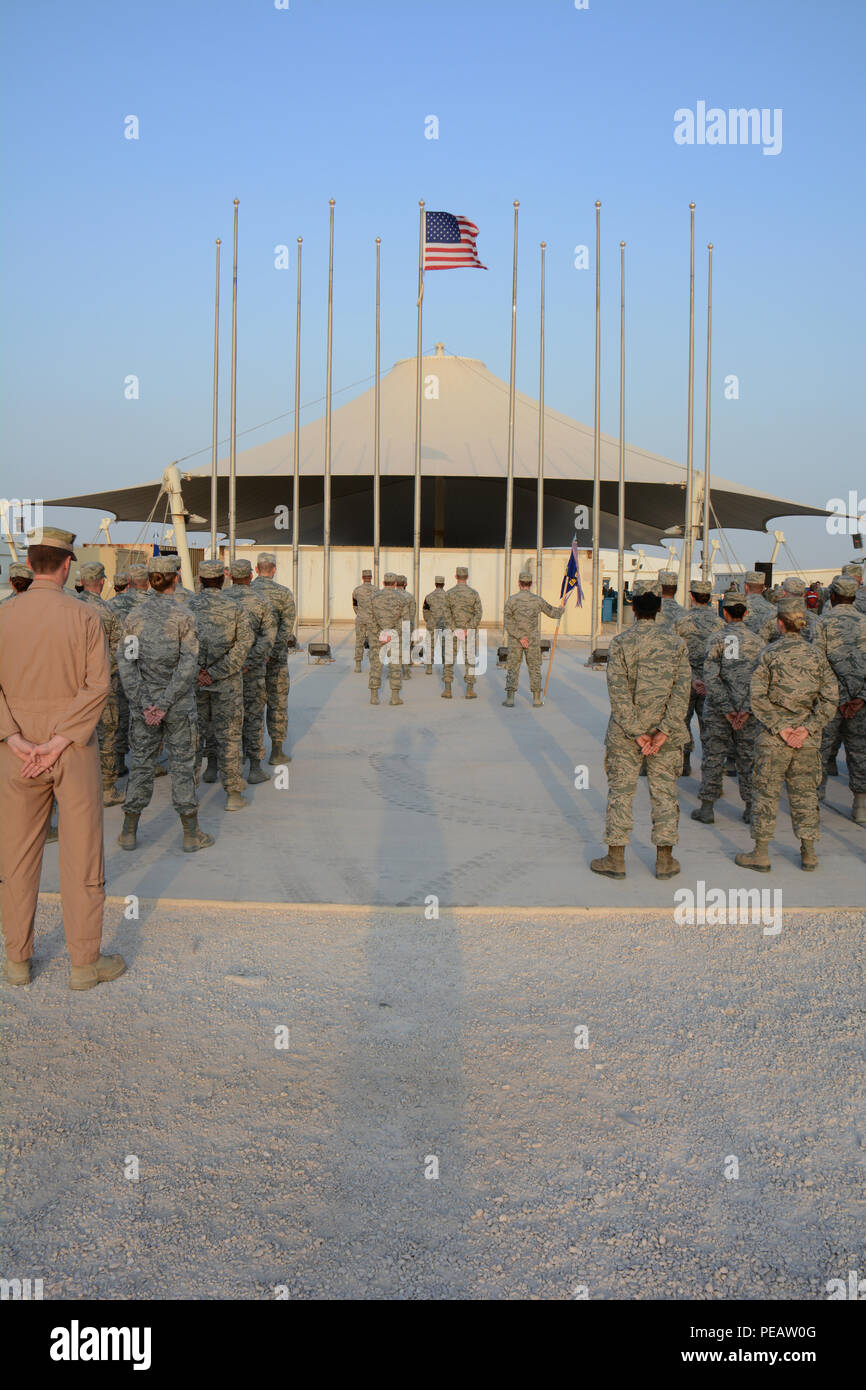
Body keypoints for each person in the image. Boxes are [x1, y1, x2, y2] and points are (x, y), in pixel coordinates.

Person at [0, 526, 125, 990]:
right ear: (68, 564)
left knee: (15, 855)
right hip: (71, 748)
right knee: (81, 854)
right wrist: (57, 741)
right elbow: (98, 685)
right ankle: (83, 964)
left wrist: (15, 739)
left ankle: (16, 961)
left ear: (30, 565)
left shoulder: (3, 616)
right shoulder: (85, 617)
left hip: (15, 752)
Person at [591, 579, 691, 880]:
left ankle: (616, 859)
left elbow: (617, 692)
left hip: (626, 735)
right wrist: (664, 731)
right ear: (660, 609)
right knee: (664, 794)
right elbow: (681, 691)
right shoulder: (676, 644)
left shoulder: (621, 643)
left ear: (633, 608)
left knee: (621, 793)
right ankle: (664, 860)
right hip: (666, 738)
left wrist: (637, 732)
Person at [116, 556, 213, 852]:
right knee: (183, 766)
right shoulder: (185, 615)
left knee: (143, 764)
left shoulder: (134, 617)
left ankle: (129, 832)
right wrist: (166, 702)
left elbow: (127, 662)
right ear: (176, 577)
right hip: (178, 706)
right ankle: (191, 834)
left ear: (149, 579)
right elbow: (189, 663)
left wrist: (147, 704)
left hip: (144, 708)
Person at [735, 596, 838, 873]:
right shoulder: (817, 656)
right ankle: (808, 853)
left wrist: (780, 727)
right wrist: (807, 728)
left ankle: (761, 853)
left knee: (766, 794)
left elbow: (756, 696)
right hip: (806, 739)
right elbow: (830, 700)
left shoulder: (768, 654)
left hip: (773, 738)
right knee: (805, 794)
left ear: (780, 624)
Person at [691, 589, 764, 825]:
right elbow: (761, 681)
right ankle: (751, 808)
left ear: (724, 612)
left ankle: (707, 808)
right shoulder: (759, 642)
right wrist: (744, 709)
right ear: (746, 612)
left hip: (718, 711)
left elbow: (711, 677)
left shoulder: (716, 639)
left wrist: (725, 708)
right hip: (747, 713)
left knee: (713, 757)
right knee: (748, 759)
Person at [188, 559, 253, 809]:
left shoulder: (187, 607)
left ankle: (189, 792)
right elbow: (244, 645)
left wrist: (200, 673)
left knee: (194, 736)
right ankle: (234, 794)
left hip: (195, 683)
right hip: (227, 683)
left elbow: (180, 646)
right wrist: (217, 672)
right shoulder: (235, 607)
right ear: (223, 579)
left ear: (201, 580)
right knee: (230, 735)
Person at [813, 575, 866, 823]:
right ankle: (860, 806)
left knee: (822, 749)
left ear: (832, 596)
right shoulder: (864, 623)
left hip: (830, 700)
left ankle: (815, 800)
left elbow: (818, 663)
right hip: (860, 703)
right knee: (859, 751)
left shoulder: (822, 623)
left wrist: (838, 696)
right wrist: (860, 697)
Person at [76, 560, 125, 806]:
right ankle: (107, 788)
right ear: (103, 582)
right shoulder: (108, 611)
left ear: (81, 581)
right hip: (105, 686)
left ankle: (78, 788)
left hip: (73, 688)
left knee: (76, 736)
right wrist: (106, 674)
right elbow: (122, 648)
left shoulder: (69, 608)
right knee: (107, 734)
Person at [224, 559, 276, 784]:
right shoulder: (261, 601)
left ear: (231, 576)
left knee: (224, 718)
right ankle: (254, 767)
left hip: (225, 671)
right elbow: (269, 637)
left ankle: (215, 765)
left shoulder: (222, 599)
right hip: (252, 670)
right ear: (250, 576)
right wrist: (250, 661)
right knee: (254, 716)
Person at [673, 579, 724, 775]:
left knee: (682, 723)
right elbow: (723, 657)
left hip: (686, 680)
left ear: (691, 596)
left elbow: (674, 654)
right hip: (710, 682)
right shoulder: (720, 624)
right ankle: (711, 770)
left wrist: (692, 677)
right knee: (709, 727)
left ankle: (684, 763)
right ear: (710, 598)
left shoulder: (680, 622)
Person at [252, 552, 295, 764]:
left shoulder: (246, 592)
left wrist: (258, 652)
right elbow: (287, 628)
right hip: (276, 660)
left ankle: (251, 755)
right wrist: (272, 651)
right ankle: (276, 752)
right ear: (274, 569)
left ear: (256, 568)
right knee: (277, 702)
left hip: (250, 661)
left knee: (251, 704)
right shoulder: (284, 594)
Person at [109, 563, 150, 777]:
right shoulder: (154, 604)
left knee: (120, 716)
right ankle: (147, 763)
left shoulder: (111, 604)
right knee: (147, 716)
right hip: (148, 671)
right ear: (148, 581)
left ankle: (118, 761)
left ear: (129, 582)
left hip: (120, 669)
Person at [502, 570, 562, 707]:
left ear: (518, 583)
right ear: (531, 584)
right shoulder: (537, 600)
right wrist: (561, 609)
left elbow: (507, 622)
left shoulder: (511, 600)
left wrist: (520, 637)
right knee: (534, 668)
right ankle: (536, 699)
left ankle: (510, 699)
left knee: (513, 667)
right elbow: (553, 613)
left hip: (516, 640)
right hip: (533, 640)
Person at [442, 566, 483, 700]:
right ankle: (469, 691)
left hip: (452, 632)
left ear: (456, 576)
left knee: (449, 659)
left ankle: (448, 690)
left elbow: (446, 614)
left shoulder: (449, 593)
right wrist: (468, 628)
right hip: (469, 632)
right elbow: (478, 613)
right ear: (467, 577)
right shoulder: (474, 593)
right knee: (470, 661)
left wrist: (455, 629)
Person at [368, 573, 407, 706]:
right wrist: (391, 634)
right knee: (395, 666)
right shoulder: (401, 598)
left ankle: (374, 697)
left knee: (376, 665)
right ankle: (394, 697)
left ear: (383, 582)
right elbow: (404, 621)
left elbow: (371, 619)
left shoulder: (374, 597)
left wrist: (379, 634)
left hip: (377, 636)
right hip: (394, 636)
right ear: (395, 583)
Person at [757, 577, 818, 644]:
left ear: (783, 593)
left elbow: (761, 643)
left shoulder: (771, 617)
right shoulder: (815, 619)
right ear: (804, 595)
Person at [422, 575, 449, 675]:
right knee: (445, 646)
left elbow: (425, 610)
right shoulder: (448, 596)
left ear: (435, 584)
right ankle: (446, 669)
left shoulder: (429, 596)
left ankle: (429, 668)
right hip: (445, 625)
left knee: (430, 646)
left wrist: (428, 620)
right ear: (443, 584)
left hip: (432, 624)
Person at [352, 568, 376, 673]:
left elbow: (355, 605)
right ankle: (373, 665)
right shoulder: (376, 590)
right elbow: (378, 606)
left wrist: (360, 614)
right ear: (371, 577)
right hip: (372, 619)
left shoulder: (357, 590)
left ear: (362, 578)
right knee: (373, 642)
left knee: (359, 642)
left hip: (361, 618)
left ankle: (358, 665)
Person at [396, 575, 416, 679]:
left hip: (393, 626)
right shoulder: (409, 596)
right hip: (405, 625)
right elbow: (412, 613)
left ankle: (393, 672)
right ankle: (406, 673)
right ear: (405, 584)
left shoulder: (391, 596)